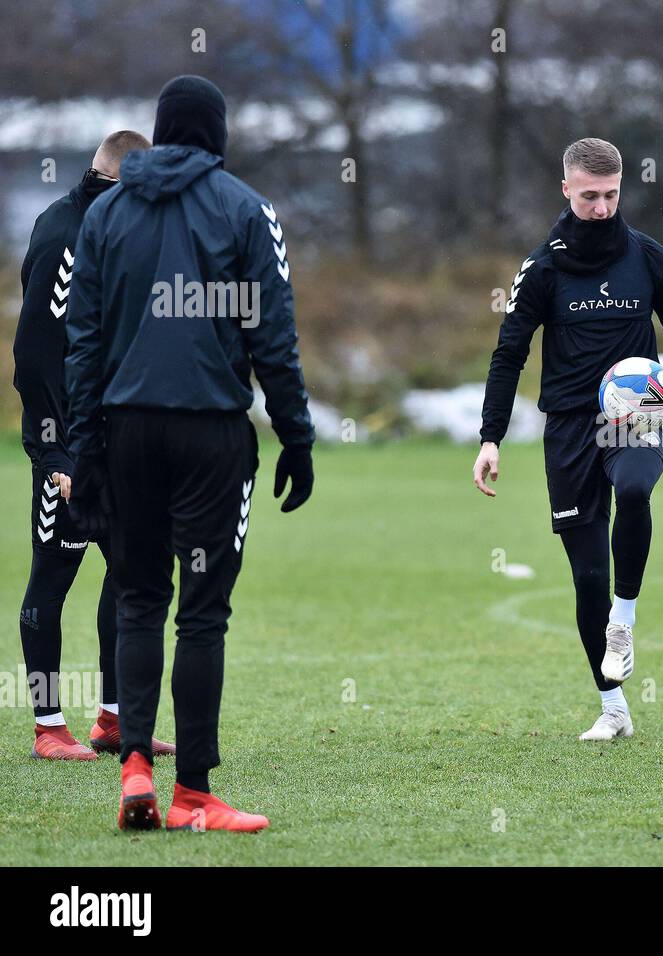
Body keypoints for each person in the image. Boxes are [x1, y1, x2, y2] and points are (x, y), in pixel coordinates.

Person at [65, 75, 315, 832]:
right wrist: (297, 436)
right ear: (218, 136)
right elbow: (272, 337)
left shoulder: (105, 213)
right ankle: (195, 794)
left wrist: (84, 447)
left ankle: (135, 764)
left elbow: (83, 341)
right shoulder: (246, 209)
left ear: (162, 130)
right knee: (202, 616)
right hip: (209, 434)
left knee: (140, 597)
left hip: (126, 430)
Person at [473, 137, 663, 741]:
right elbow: (509, 353)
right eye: (590, 196)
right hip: (569, 426)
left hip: (633, 413)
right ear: (566, 190)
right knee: (587, 578)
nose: (602, 207)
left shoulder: (648, 257)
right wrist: (491, 437)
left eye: (611, 195)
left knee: (635, 490)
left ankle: (625, 619)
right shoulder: (543, 267)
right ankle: (613, 709)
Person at [13, 130, 175, 761]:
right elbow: (34, 355)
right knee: (53, 576)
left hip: (118, 446)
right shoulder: (64, 236)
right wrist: (55, 454)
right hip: (70, 451)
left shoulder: (118, 231)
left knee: (132, 571)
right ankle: (49, 727)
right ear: (118, 184)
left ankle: (112, 719)